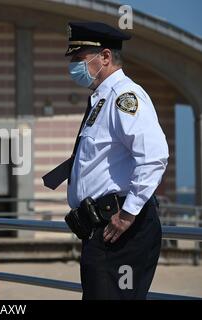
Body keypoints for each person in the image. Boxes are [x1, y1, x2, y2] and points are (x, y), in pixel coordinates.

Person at [53, 22, 169, 299]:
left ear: (105, 57)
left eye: (80, 59)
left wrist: (127, 214)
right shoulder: (101, 100)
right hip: (101, 230)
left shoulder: (124, 97)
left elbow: (154, 157)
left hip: (121, 231)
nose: (74, 67)